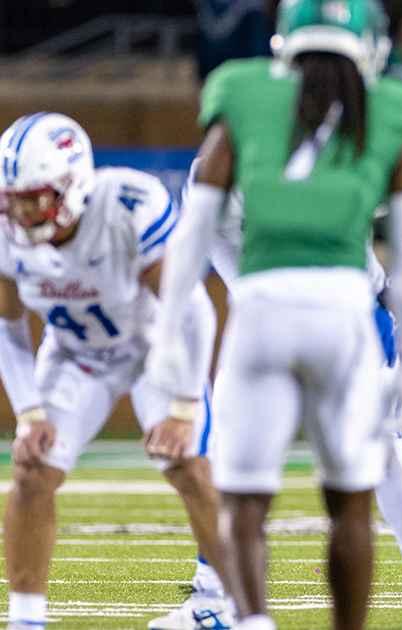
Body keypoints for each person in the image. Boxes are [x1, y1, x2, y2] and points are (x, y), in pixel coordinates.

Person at [145, 0, 402, 628]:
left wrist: (168, 331)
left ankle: (242, 616)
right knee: (353, 496)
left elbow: (192, 227)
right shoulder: (394, 105)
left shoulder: (243, 93)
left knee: (243, 491)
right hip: (348, 313)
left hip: (261, 311)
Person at [184, 164, 402, 630]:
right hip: (264, 318)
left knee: (381, 455)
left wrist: (389, 293)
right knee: (232, 462)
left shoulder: (328, 157)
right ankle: (212, 595)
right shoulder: (216, 174)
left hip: (349, 317)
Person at [0, 112, 230, 629]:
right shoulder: (5, 233)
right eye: (13, 198)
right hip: (77, 357)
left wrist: (185, 406)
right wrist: (30, 413)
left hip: (155, 349)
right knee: (32, 473)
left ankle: (232, 607)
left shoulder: (127, 204)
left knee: (189, 466)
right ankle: (25, 621)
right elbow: (6, 328)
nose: (23, 211)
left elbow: (191, 311)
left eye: (37, 197)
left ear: (73, 184)